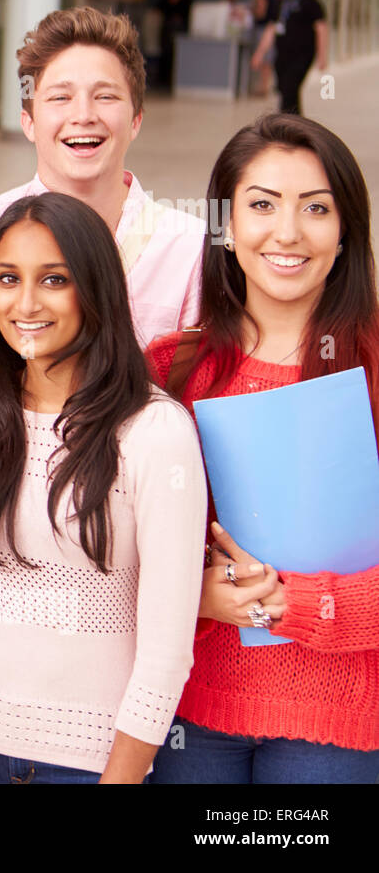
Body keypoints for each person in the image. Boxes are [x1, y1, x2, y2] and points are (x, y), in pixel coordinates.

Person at [0, 192, 206, 783]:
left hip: (88, 755)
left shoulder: (155, 430)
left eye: (53, 280)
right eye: (7, 279)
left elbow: (167, 648)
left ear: (94, 289)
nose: (25, 303)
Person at [147, 114, 379, 783]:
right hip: (188, 712)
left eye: (316, 208)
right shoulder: (168, 371)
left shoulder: (370, 373)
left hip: (335, 728)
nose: (287, 232)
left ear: (346, 232)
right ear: (224, 225)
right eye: (262, 205)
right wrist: (194, 596)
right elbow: (116, 546)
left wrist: (290, 605)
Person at [0, 6, 206, 398]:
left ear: (136, 120)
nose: (83, 115)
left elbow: (200, 405)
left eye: (106, 96)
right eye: (60, 97)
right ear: (28, 123)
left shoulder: (190, 248)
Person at [251, 0, 327, 116]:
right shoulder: (282, 2)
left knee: (289, 87)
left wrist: (322, 56)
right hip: (283, 56)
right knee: (286, 92)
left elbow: (322, 29)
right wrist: (259, 53)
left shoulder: (311, 3)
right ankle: (295, 125)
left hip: (302, 56)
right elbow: (271, 29)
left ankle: (286, 125)